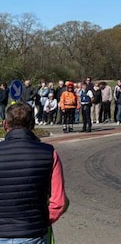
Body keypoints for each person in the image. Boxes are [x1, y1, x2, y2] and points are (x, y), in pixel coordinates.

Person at [0, 102, 67, 244]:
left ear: (5, 124)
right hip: (32, 233)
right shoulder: (49, 153)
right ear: (33, 124)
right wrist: (42, 221)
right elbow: (59, 202)